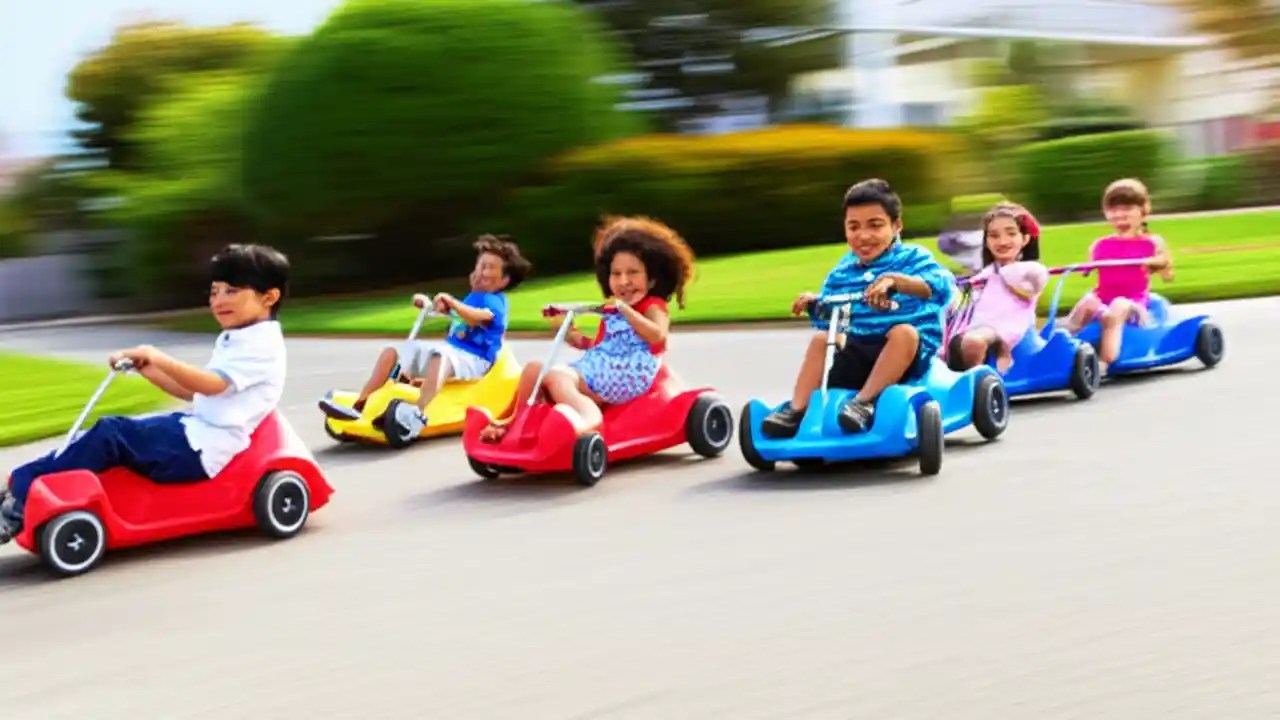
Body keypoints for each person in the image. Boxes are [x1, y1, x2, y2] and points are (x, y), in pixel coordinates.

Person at [0, 244, 291, 543]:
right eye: (214, 292)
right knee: (101, 433)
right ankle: (22, 483)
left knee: (111, 433)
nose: (218, 301)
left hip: (201, 450)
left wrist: (159, 357)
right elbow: (194, 392)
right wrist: (148, 369)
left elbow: (211, 384)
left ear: (269, 297)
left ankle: (20, 498)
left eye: (231, 291)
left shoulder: (261, 346)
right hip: (193, 431)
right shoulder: (237, 337)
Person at [760, 178, 956, 438]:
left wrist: (898, 282)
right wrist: (815, 304)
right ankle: (797, 410)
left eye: (875, 226)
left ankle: (864, 403)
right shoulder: (842, 272)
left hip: (907, 356)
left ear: (896, 225)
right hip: (857, 351)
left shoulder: (912, 259)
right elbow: (832, 319)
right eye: (854, 227)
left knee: (904, 333)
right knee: (821, 339)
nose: (863, 236)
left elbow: (943, 287)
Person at [478, 215, 695, 443]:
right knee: (534, 369)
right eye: (616, 274)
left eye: (633, 273)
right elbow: (596, 346)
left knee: (557, 377)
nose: (624, 281)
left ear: (652, 280)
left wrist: (626, 311)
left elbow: (658, 337)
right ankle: (519, 422)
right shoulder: (612, 311)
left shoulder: (652, 306)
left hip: (628, 374)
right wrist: (567, 330)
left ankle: (588, 418)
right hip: (599, 368)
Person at [318, 234, 532, 437]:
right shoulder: (472, 297)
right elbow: (455, 313)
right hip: (454, 352)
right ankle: (361, 403)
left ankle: (417, 411)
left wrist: (452, 303)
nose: (481, 271)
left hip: (476, 359)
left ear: (503, 280)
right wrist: (431, 304)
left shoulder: (496, 301)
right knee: (393, 353)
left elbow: (478, 318)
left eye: (489, 268)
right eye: (480, 265)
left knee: (441, 357)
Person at [1064, 178, 1175, 370]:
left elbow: (1166, 269)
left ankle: (1105, 361)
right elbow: (1090, 266)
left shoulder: (1151, 243)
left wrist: (1151, 261)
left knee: (1119, 305)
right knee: (1087, 302)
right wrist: (1084, 268)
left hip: (1133, 304)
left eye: (1127, 209)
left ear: (1143, 211)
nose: (1120, 216)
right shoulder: (1100, 244)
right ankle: (1065, 349)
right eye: (1114, 210)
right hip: (1103, 301)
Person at [947, 202, 1049, 373]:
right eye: (994, 236)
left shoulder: (1030, 270)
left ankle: (982, 376)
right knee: (943, 340)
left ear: (1024, 239)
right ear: (986, 242)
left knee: (974, 341)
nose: (1002, 241)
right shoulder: (985, 274)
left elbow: (1032, 284)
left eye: (1011, 233)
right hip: (979, 326)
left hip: (1009, 329)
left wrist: (1005, 272)